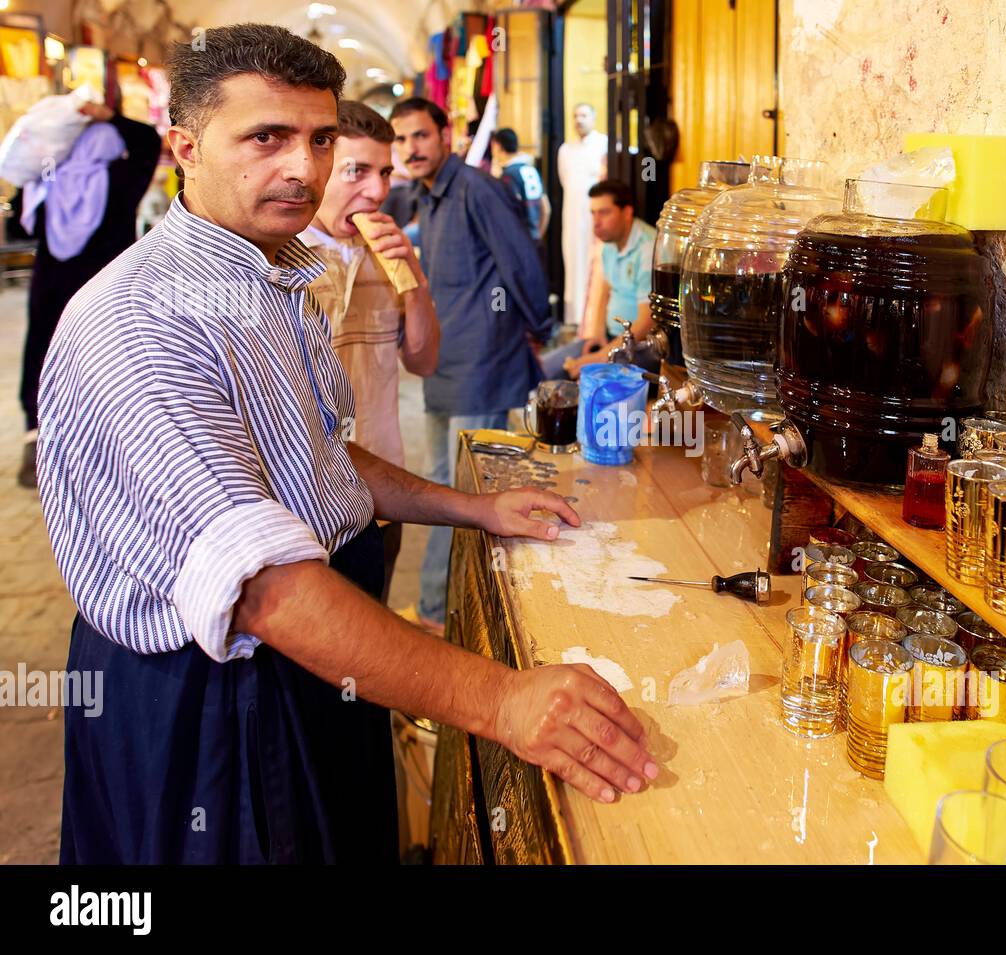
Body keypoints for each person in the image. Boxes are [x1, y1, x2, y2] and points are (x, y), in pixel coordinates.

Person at [38, 24, 654, 865]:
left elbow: (320, 459)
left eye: (320, 138)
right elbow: (263, 590)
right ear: (184, 146)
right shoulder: (144, 321)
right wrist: (503, 701)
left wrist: (471, 507)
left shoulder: (274, 276)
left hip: (316, 658)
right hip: (213, 695)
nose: (305, 167)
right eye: (266, 137)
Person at [381, 97, 552, 635]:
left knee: (469, 499)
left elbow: (521, 261)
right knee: (443, 491)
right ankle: (440, 613)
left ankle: (446, 617)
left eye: (421, 136)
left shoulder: (476, 189)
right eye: (402, 139)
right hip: (443, 366)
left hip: (482, 364)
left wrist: (540, 330)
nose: (411, 148)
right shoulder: (425, 198)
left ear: (446, 135)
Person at [299, 99, 441, 600]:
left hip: (381, 499)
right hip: (304, 508)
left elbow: (423, 362)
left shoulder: (390, 255)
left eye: (384, 172)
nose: (377, 191)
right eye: (355, 171)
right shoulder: (279, 258)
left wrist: (415, 280)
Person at [17, 101, 160, 487]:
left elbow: (19, 212)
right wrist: (111, 118)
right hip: (109, 286)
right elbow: (147, 142)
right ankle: (102, 448)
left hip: (52, 285)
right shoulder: (118, 176)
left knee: (45, 349)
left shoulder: (49, 182)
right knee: (109, 359)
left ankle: (38, 434)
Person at [556, 179, 657, 378]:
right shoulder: (609, 244)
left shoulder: (648, 248)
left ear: (627, 212)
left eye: (604, 212)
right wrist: (597, 333)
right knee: (547, 367)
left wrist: (602, 356)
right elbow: (605, 291)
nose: (596, 222)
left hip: (641, 346)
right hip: (611, 338)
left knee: (582, 380)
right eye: (593, 213)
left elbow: (647, 321)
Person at [556, 102, 607, 327]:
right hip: (572, 212)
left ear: (593, 118)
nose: (579, 120)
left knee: (593, 257)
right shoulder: (565, 150)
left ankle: (594, 314)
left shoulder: (603, 144)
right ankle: (575, 315)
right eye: (575, 115)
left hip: (594, 214)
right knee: (573, 256)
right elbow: (564, 179)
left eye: (584, 115)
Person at [491, 126, 550, 244]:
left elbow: (506, 214)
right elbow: (546, 208)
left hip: (517, 241)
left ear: (498, 146)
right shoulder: (531, 170)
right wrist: (537, 235)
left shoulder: (508, 176)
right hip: (535, 238)